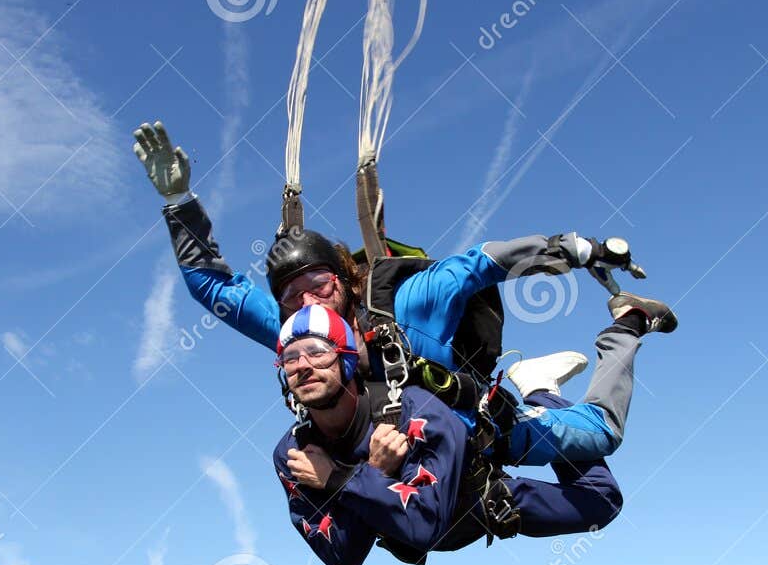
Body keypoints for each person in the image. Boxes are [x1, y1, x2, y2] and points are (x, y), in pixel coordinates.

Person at [134, 120, 676, 467]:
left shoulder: (408, 302)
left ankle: (625, 326)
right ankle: (529, 379)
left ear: (345, 281)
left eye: (319, 287)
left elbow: (485, 263)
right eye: (292, 297)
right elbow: (214, 288)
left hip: (484, 433)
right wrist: (179, 202)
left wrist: (580, 250)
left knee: (599, 436)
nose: (307, 305)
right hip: (400, 463)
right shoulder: (291, 328)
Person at [272, 306, 623, 565]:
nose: (303, 365)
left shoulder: (413, 408)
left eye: (318, 352)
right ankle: (541, 389)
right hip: (431, 534)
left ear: (346, 359)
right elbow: (343, 557)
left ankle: (593, 354)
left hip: (484, 501)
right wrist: (371, 472)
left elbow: (424, 523)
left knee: (602, 502)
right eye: (290, 357)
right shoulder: (295, 452)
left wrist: (338, 479)